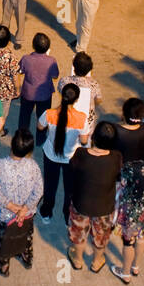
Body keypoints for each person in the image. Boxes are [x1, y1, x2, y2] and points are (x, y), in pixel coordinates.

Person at [66, 120, 123, 273]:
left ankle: (78, 260)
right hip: (104, 206)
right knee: (101, 236)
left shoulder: (81, 154)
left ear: (93, 137)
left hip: (81, 202)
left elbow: (71, 171)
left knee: (79, 233)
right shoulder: (116, 157)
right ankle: (97, 262)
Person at [110, 130, 144, 281]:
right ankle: (136, 266)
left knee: (128, 242)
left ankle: (125, 272)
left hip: (131, 212)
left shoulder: (132, 168)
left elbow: (121, 182)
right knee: (142, 238)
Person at [0, 129, 43, 277]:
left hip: (5, 215)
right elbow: (39, 191)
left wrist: (11, 206)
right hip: (27, 215)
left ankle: (4, 266)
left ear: (12, 146)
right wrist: (24, 209)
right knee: (26, 235)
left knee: (4, 240)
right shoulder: (34, 166)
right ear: (28, 151)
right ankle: (27, 258)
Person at [37, 82, 87, 224]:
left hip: (50, 155)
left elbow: (40, 127)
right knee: (70, 189)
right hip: (71, 158)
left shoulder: (49, 114)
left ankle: (46, 213)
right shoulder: (81, 118)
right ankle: (67, 217)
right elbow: (84, 141)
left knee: (49, 186)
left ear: (61, 95)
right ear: (76, 99)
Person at [16, 32, 59, 134]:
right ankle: (41, 138)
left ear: (33, 45)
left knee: (24, 115)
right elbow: (55, 75)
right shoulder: (51, 60)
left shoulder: (26, 58)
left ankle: (22, 136)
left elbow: (20, 70)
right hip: (45, 95)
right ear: (48, 47)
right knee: (43, 117)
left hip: (28, 93)